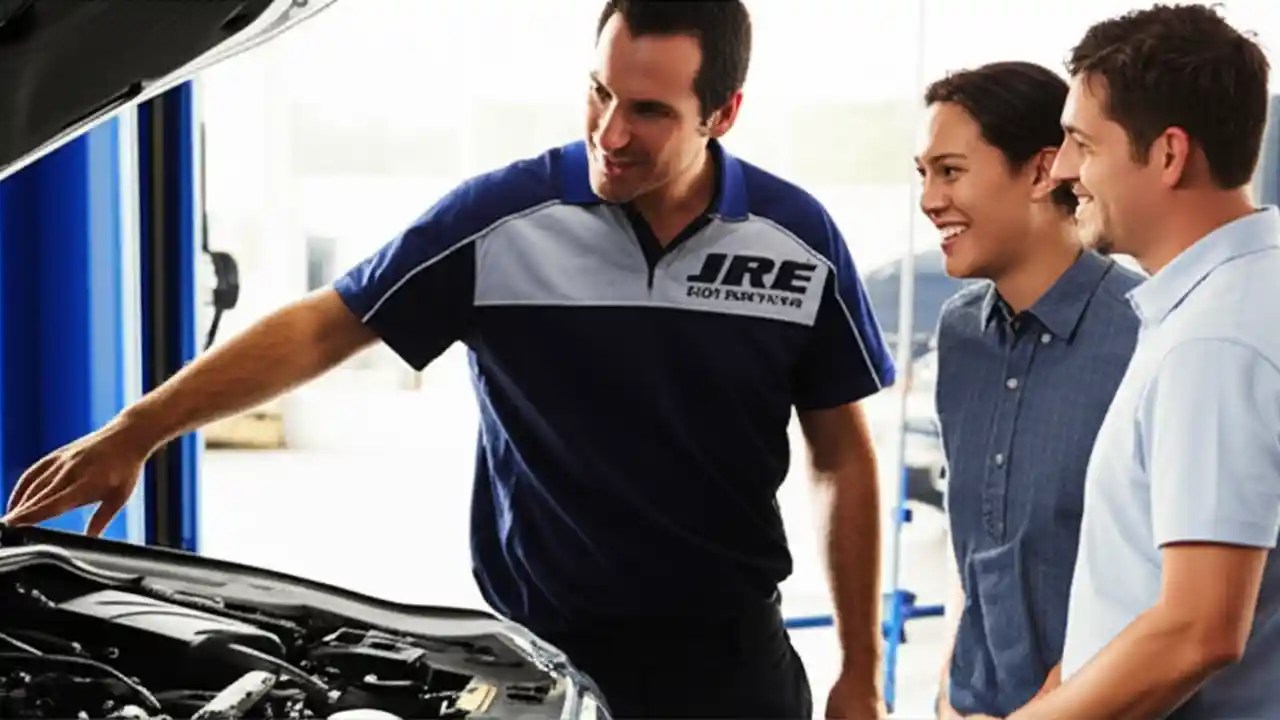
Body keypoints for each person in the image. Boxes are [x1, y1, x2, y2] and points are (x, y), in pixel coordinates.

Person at [2, 1, 897, 717]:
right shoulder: (500, 219)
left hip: (731, 667)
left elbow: (842, 457)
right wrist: (136, 430)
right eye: (599, 93)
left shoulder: (797, 243)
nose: (611, 133)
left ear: (724, 113)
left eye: (651, 111)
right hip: (540, 655)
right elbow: (328, 323)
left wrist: (859, 669)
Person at [994, 5, 1280, 720]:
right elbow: (1140, 589)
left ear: (1169, 154)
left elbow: (1197, 629)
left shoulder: (1216, 342)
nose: (1061, 170)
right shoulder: (1231, 300)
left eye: (1081, 145)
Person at [915, 61, 1144, 720]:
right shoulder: (960, 334)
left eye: (951, 171)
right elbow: (978, 548)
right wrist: (948, 690)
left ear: (1044, 173)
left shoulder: (1148, 332)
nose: (930, 199)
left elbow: (1174, 589)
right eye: (923, 174)